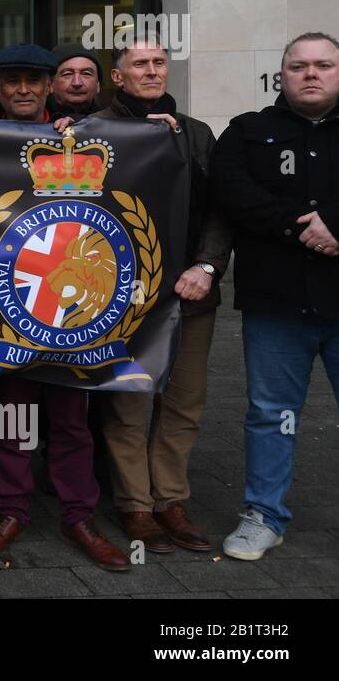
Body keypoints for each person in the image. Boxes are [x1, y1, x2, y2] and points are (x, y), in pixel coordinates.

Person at [0, 43, 129, 572]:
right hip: (5, 302)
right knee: (11, 417)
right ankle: (10, 511)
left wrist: (161, 129)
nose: (22, 90)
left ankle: (78, 515)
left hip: (72, 309)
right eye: (11, 81)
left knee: (72, 420)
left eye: (32, 81)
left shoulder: (82, 136)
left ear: (48, 87)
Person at [93, 38, 231, 554]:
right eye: (140, 65)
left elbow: (221, 209)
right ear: (118, 75)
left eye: (159, 63)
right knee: (128, 400)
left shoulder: (196, 134)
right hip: (121, 298)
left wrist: (208, 266)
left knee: (183, 401)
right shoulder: (95, 130)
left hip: (190, 291)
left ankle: (171, 499)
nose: (152, 72)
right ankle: (134, 505)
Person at [211, 31, 339, 560]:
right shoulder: (246, 131)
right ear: (280, 75)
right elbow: (229, 192)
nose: (311, 74)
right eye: (299, 66)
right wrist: (297, 225)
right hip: (276, 303)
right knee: (270, 412)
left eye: (324, 65)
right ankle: (264, 516)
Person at [50, 42, 103, 120]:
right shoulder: (36, 122)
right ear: (51, 84)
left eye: (86, 74)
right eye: (67, 74)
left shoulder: (112, 123)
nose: (77, 83)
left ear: (98, 84)